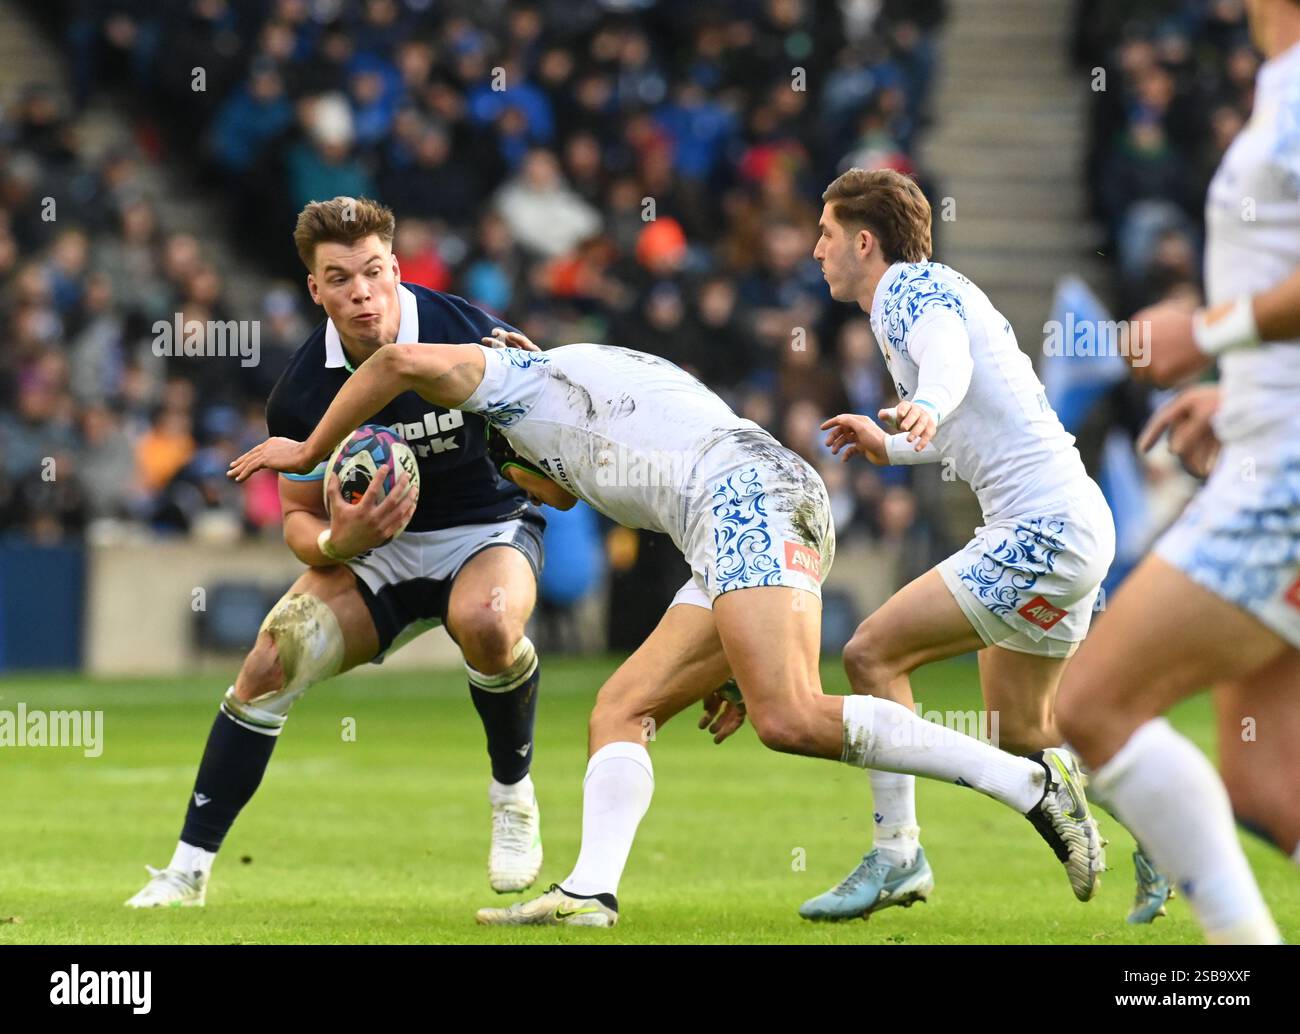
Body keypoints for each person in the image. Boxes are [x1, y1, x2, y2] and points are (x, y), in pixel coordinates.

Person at [228, 331, 1102, 929]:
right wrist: (727, 645)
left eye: (519, 482)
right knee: (622, 707)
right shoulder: (592, 383)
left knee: (789, 716)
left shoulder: (517, 383)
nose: (538, 495)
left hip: (745, 499)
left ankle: (1026, 785)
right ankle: (590, 892)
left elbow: (393, 359)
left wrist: (306, 453)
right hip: (752, 504)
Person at [126, 197, 546, 908]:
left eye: (374, 272)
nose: (362, 292)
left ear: (396, 268)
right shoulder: (302, 389)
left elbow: (546, 434)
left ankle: (512, 793)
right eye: (340, 277)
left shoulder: (465, 330)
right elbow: (295, 516)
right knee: (268, 661)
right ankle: (186, 872)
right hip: (373, 553)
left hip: (485, 528)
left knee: (490, 622)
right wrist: (334, 542)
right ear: (315, 288)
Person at [787, 167, 1137, 921]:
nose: (815, 249)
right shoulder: (929, 288)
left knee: (870, 655)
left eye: (825, 233)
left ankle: (896, 855)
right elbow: (978, 420)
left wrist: (925, 403)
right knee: (1025, 734)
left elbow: (950, 365)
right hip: (1072, 520)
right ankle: (1163, 844)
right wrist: (895, 440)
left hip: (1040, 528)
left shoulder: (910, 292)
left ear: (865, 240)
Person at [1055, 0, 1300, 945]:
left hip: (1284, 471)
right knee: (1269, 784)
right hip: (1266, 439)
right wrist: (1233, 388)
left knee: (1092, 702)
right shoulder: (1273, 80)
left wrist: (1205, 335)